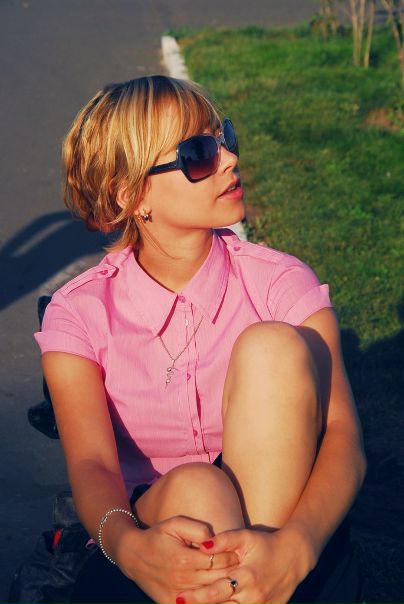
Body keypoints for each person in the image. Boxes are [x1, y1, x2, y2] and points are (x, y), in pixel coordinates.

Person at [34, 75, 366, 604]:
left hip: (280, 528)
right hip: (153, 534)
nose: (230, 159)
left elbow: (344, 436)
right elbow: (92, 466)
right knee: (198, 487)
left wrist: (296, 548)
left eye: (224, 138)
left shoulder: (279, 282)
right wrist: (129, 548)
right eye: (198, 154)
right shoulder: (78, 313)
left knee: (273, 346)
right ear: (130, 194)